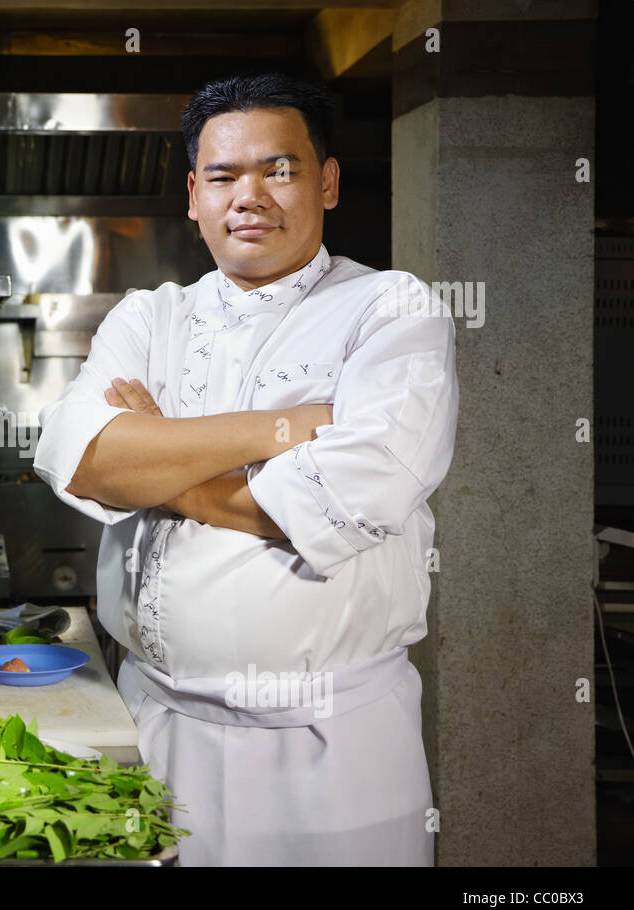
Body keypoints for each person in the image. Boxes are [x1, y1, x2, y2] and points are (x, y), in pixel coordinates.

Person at [33, 73, 459, 866]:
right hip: (153, 726)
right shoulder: (149, 314)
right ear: (194, 195)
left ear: (326, 182)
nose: (249, 196)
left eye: (281, 169)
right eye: (224, 176)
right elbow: (84, 458)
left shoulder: (393, 311)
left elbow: (346, 495)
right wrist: (282, 432)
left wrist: (160, 456)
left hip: (329, 752)